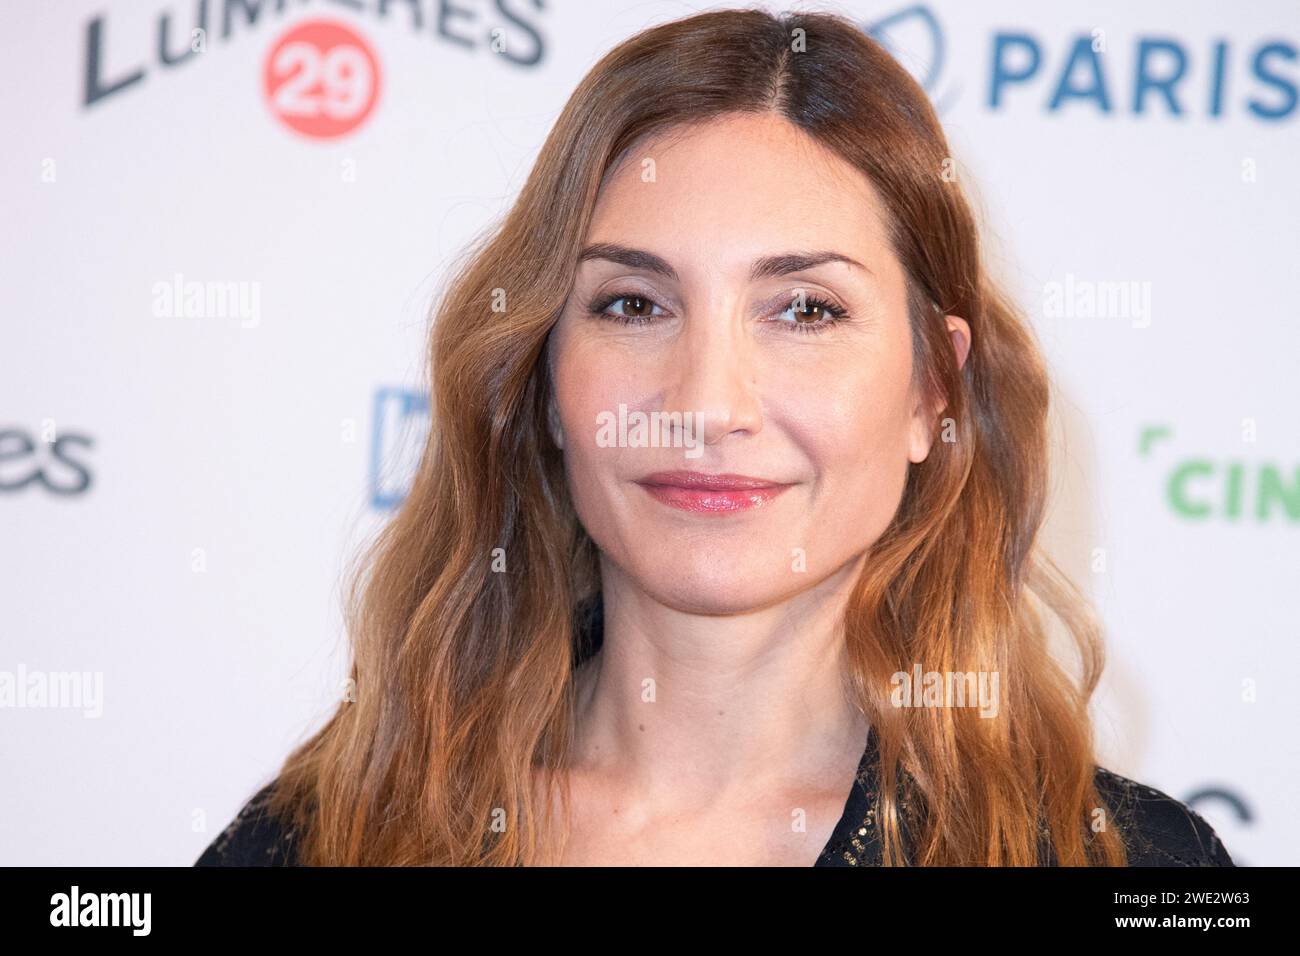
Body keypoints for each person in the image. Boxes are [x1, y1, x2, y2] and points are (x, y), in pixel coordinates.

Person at [196, 8, 1233, 867]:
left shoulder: (1133, 864)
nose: (704, 401)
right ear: (547, 380)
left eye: (804, 310)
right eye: (634, 305)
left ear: (932, 391)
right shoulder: (317, 841)